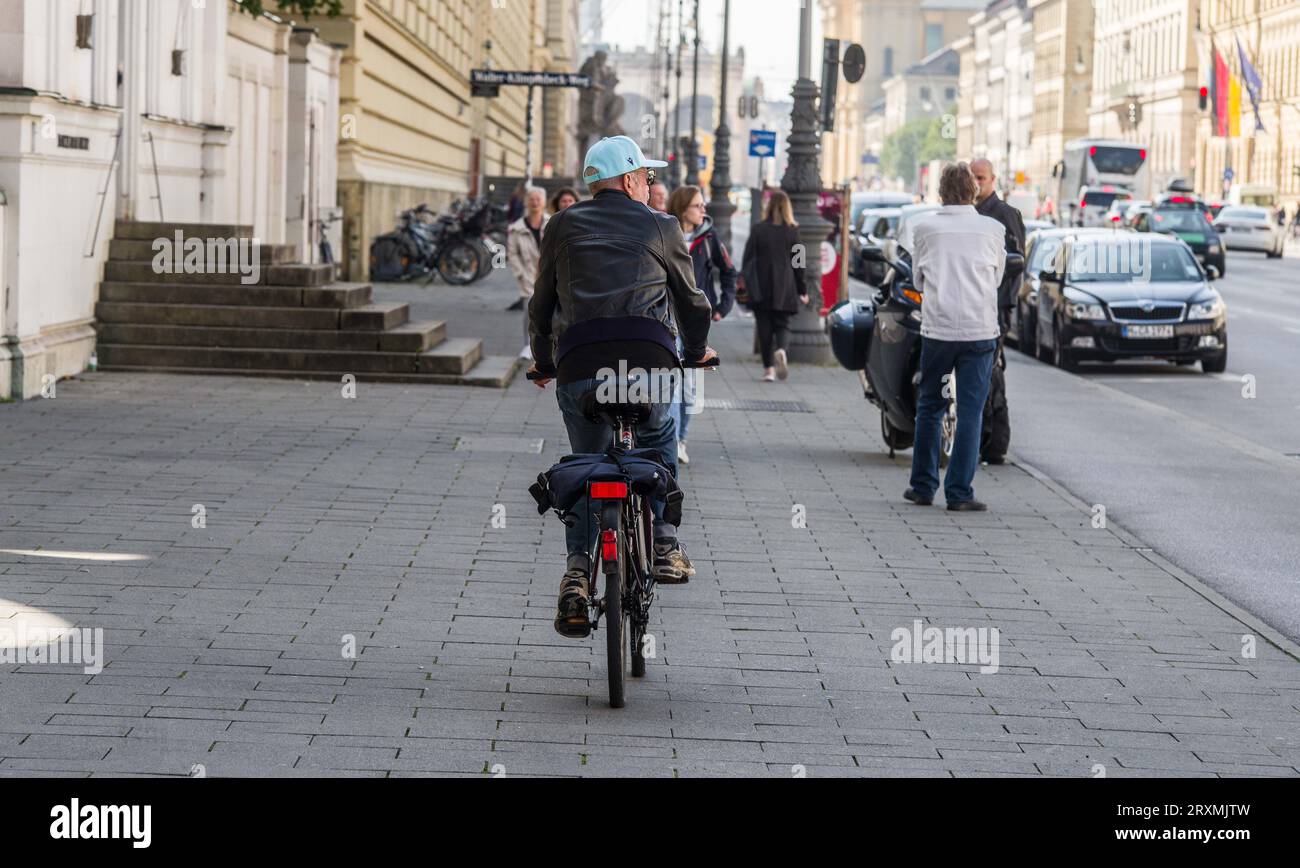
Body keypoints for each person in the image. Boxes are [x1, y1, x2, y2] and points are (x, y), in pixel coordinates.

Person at [528, 135, 716, 637]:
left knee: (590, 466)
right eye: (647, 177)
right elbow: (693, 302)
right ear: (631, 179)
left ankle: (575, 574)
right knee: (658, 444)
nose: (649, 185)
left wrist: (545, 362)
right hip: (648, 363)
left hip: (580, 365)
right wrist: (696, 353)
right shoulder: (662, 225)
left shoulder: (562, 225)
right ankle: (664, 544)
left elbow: (541, 305)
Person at [904, 162, 1005, 512]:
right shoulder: (993, 229)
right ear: (973, 191)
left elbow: (917, 280)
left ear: (941, 192)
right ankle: (960, 492)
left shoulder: (925, 228)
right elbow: (996, 278)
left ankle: (922, 486)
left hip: (939, 330)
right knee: (971, 411)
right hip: (979, 330)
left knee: (930, 406)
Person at [667, 185, 738, 464]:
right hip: (667, 317)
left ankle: (681, 438)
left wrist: (723, 306)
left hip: (695, 320)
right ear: (683, 208)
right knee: (670, 381)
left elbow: (729, 271)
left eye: (703, 205)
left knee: (689, 387)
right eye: (698, 205)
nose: (703, 210)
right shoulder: (663, 231)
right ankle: (671, 441)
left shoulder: (709, 237)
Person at [970, 158, 1024, 464]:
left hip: (994, 310)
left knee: (990, 375)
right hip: (975, 309)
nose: (977, 183)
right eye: (972, 178)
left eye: (982, 177)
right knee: (987, 374)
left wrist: (1001, 308)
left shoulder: (1004, 215)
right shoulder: (969, 213)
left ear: (993, 180)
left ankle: (992, 443)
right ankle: (988, 442)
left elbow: (1015, 267)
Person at [742, 190, 807, 382]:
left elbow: (747, 259)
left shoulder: (758, 229)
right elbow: (799, 264)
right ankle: (781, 350)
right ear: (788, 208)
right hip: (785, 287)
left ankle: (769, 370)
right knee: (783, 325)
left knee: (764, 328)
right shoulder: (794, 231)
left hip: (760, 287)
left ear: (769, 206)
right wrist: (802, 290)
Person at [506, 187, 548, 322]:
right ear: (525, 202)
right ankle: (527, 344)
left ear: (544, 202)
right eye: (531, 199)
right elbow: (512, 254)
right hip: (528, 277)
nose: (535, 202)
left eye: (538, 199)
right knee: (530, 318)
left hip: (550, 278)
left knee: (550, 318)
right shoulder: (516, 228)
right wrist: (520, 274)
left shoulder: (553, 223)